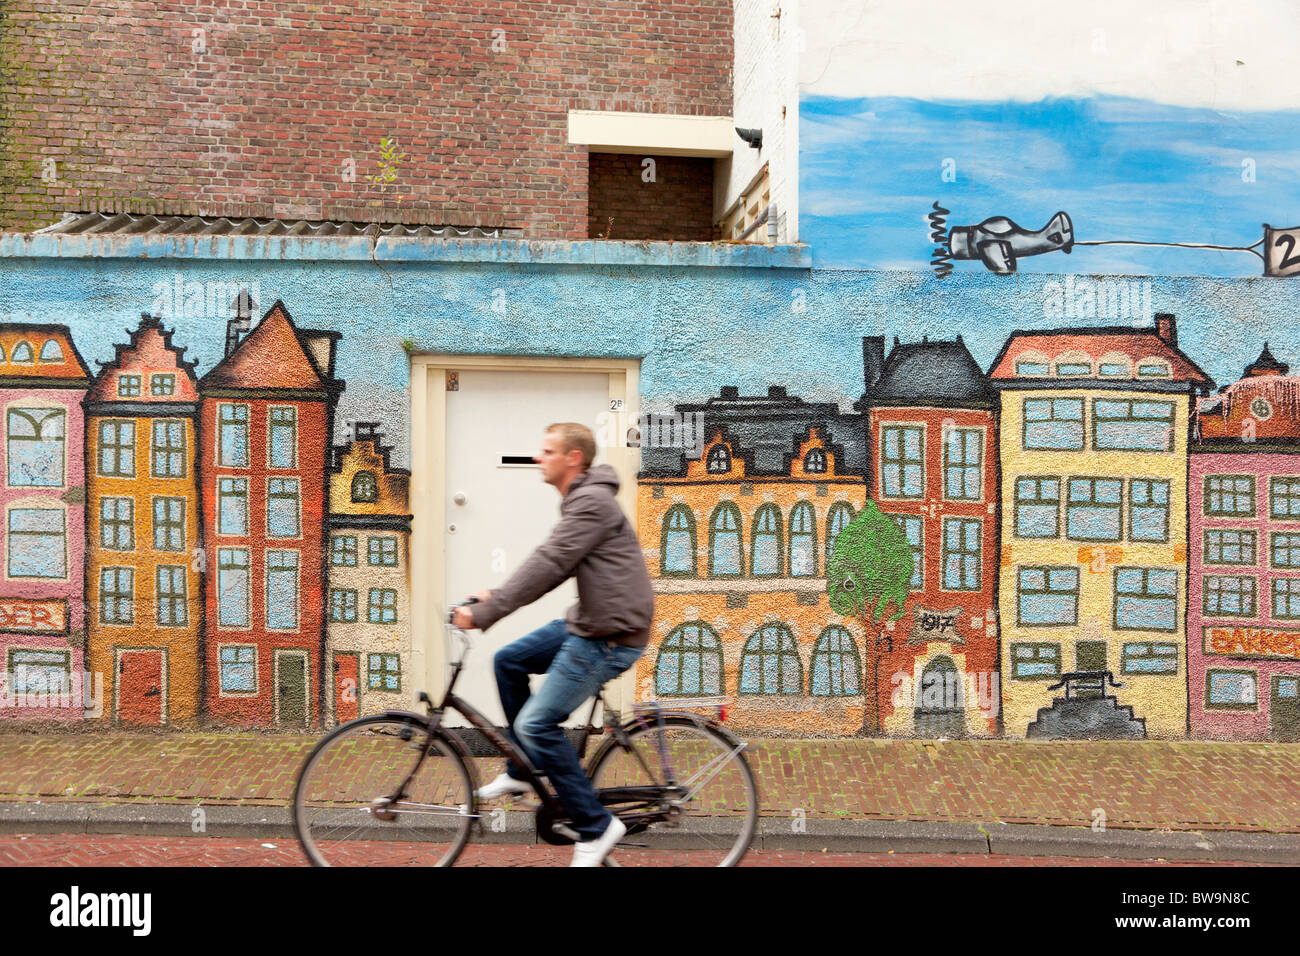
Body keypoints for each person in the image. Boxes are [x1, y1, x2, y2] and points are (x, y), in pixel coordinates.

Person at [452, 421, 654, 867]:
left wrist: (487, 612)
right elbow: (553, 564)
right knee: (509, 661)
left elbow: (549, 564)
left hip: (611, 635)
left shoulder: (591, 504)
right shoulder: (582, 502)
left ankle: (597, 827)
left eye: (547, 451)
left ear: (573, 458)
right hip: (592, 622)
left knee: (535, 725)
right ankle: (524, 771)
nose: (538, 458)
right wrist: (497, 596)